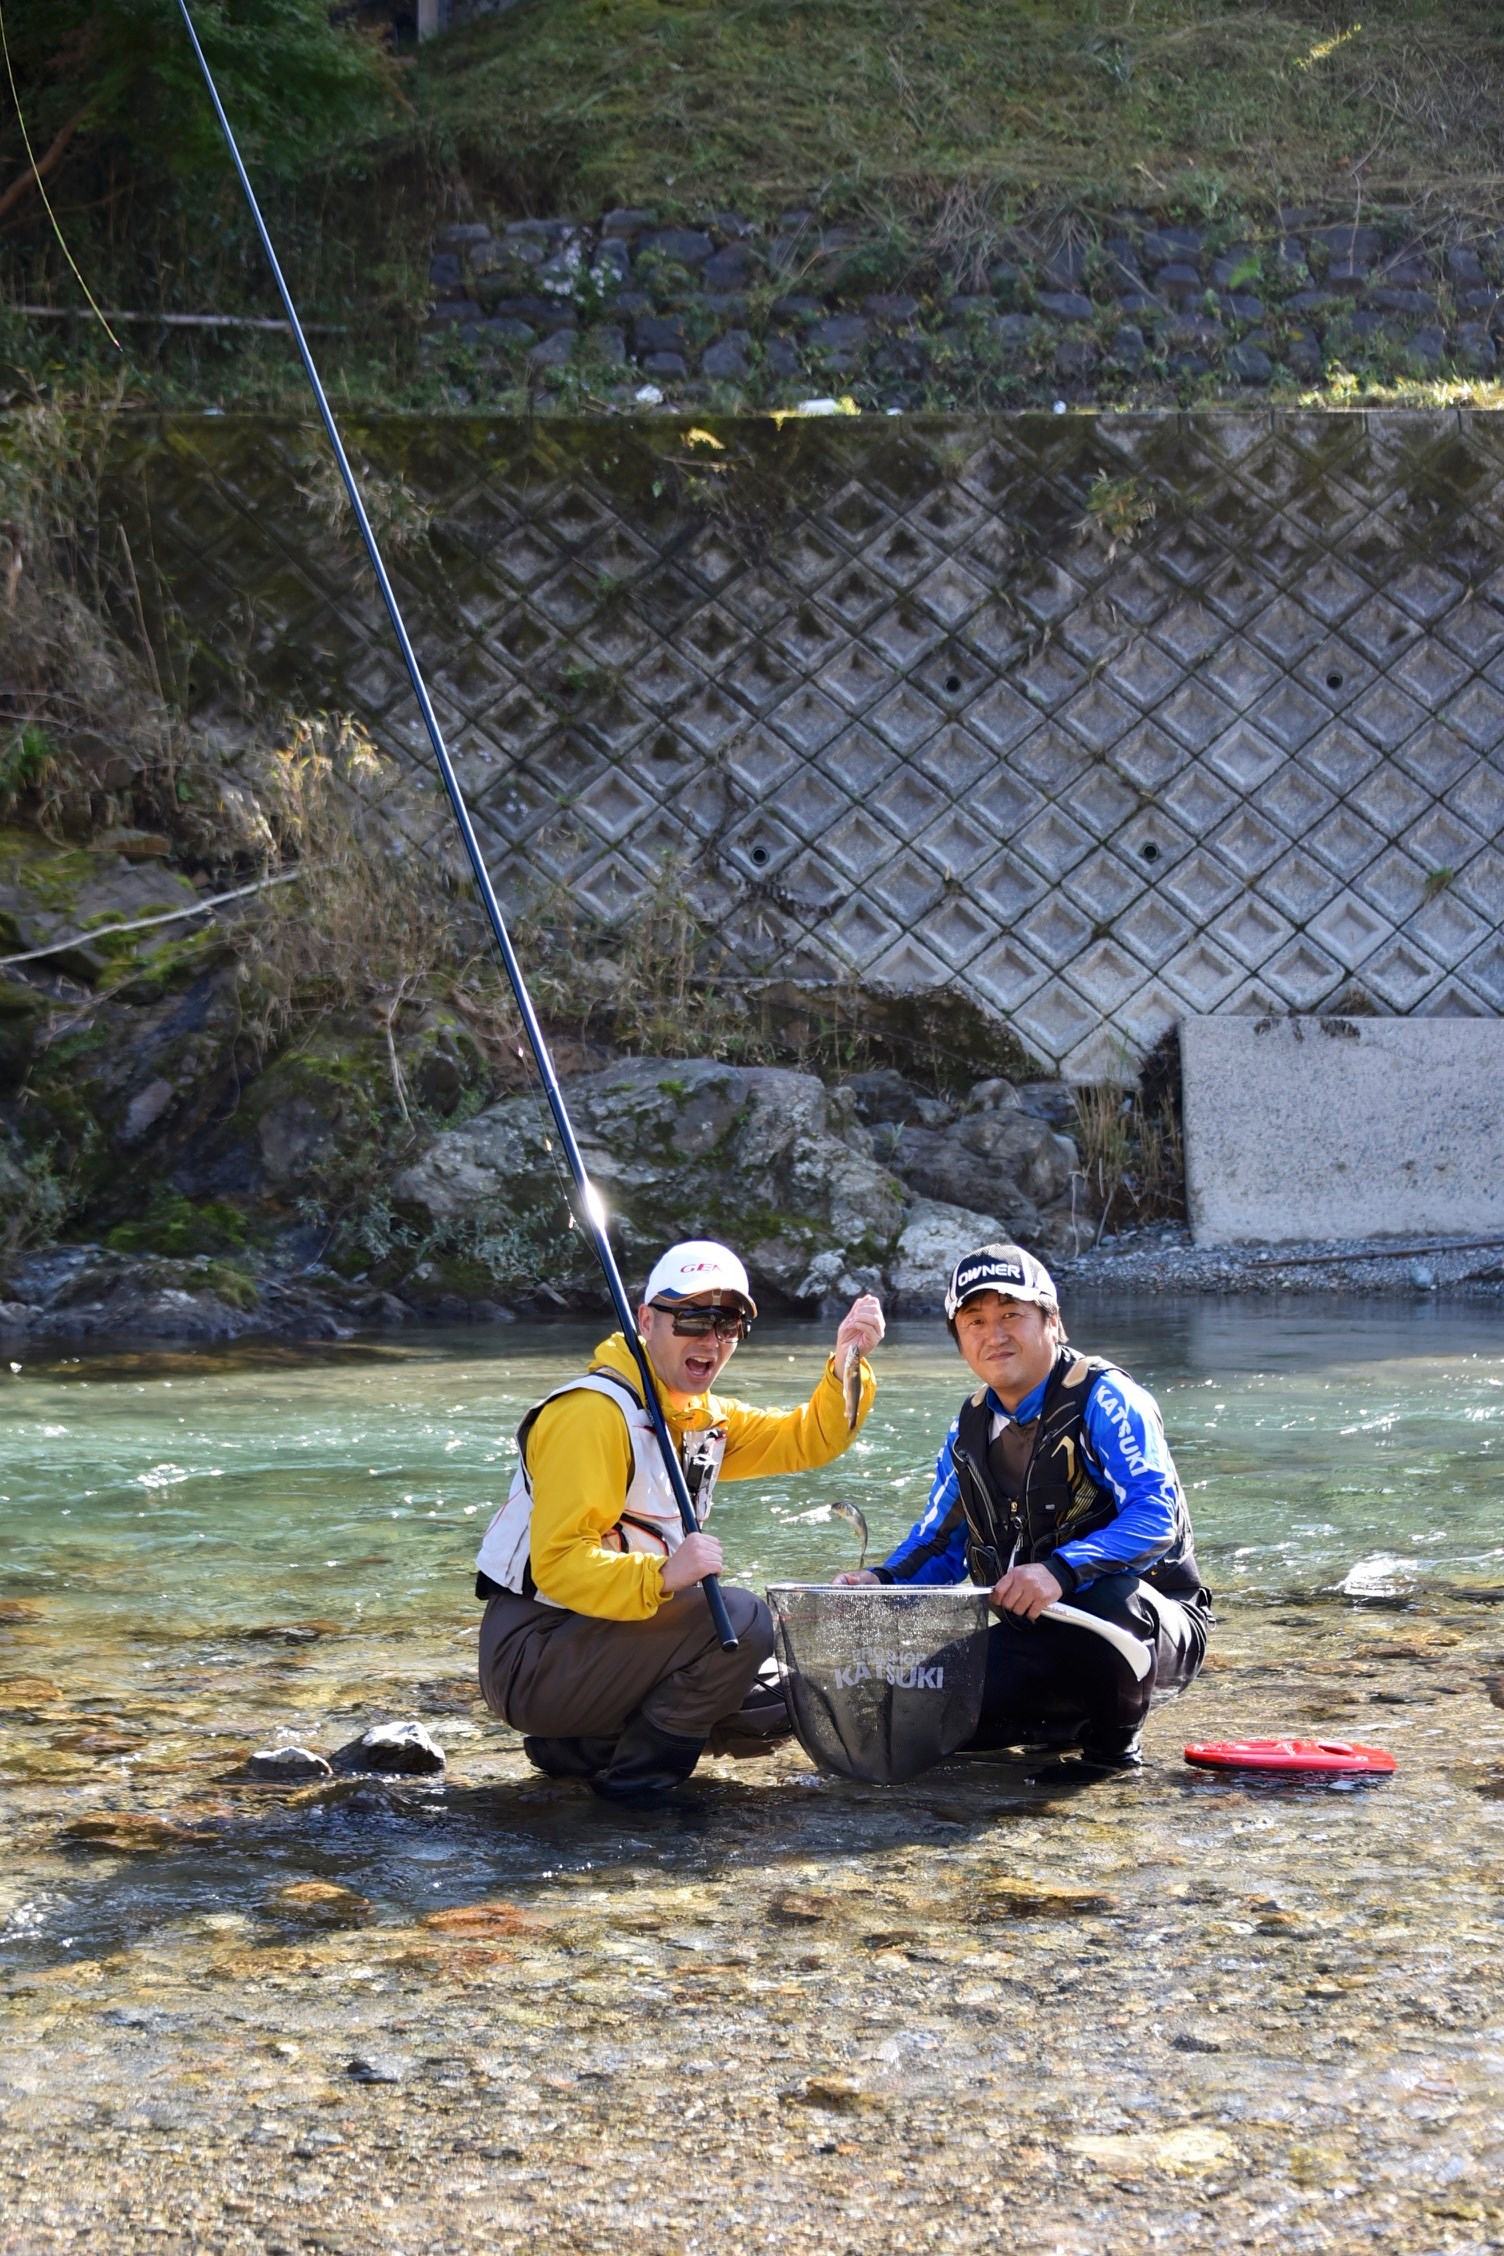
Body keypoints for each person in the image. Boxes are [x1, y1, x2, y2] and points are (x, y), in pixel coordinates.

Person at [476, 1239, 885, 1799]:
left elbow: (806, 1440)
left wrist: (848, 1363)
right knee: (740, 1620)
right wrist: (665, 1578)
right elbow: (557, 1565)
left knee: (784, 1697)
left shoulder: (699, 1418)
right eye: (692, 1317)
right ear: (646, 1320)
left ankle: (577, 1749)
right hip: (535, 1651)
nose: (712, 1340)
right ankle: (640, 1787)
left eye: (729, 1323)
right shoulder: (591, 1417)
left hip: (601, 1640)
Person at [836, 1242, 1208, 1776]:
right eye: (976, 1320)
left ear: (1052, 1322)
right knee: (905, 1719)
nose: (995, 1334)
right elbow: (939, 1544)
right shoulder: (967, 1429)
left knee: (1108, 1598)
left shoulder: (1107, 1398)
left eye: (1013, 1315)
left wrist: (1059, 1571)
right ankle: (1062, 1723)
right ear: (960, 1338)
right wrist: (880, 1580)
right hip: (1032, 1629)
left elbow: (1158, 1520)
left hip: (1147, 1625)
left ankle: (1112, 1755)